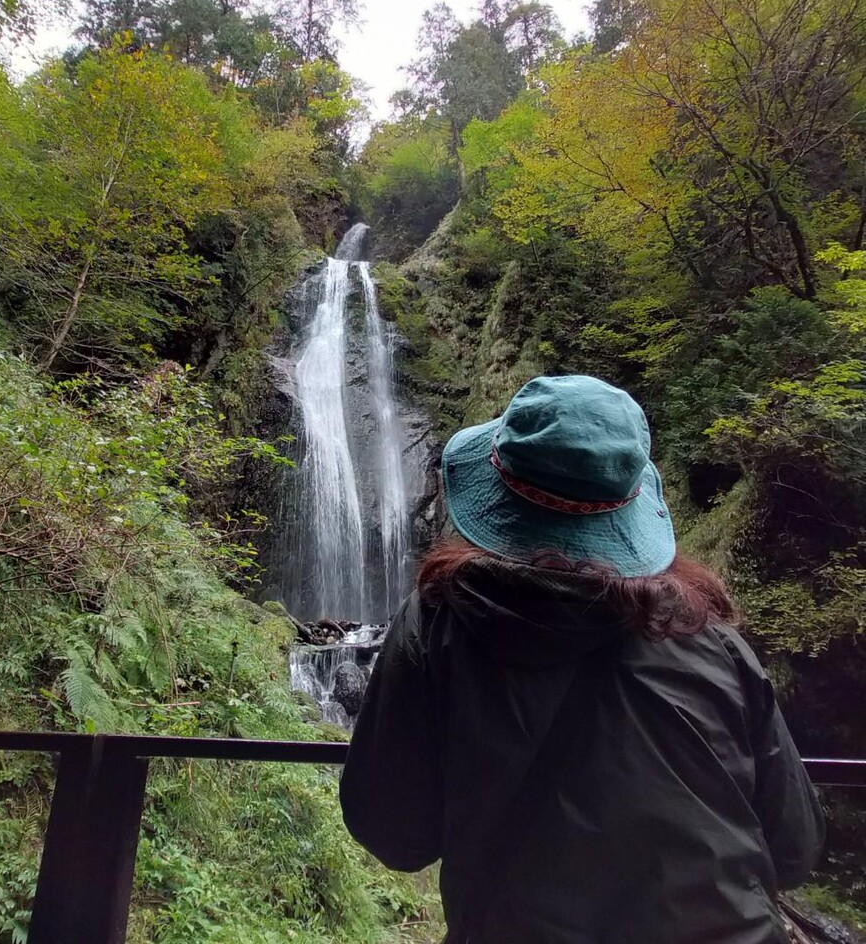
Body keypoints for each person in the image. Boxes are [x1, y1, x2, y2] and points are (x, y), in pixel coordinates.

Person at [339, 375, 824, 944]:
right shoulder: (713, 641)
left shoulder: (439, 624)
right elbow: (795, 846)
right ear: (632, 507)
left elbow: (393, 833)